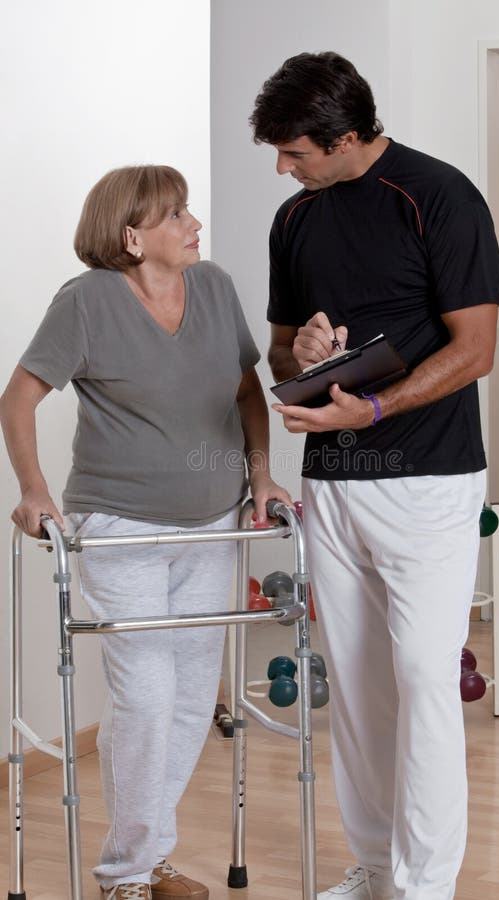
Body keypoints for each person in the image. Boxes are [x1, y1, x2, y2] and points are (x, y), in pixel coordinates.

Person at [250, 52, 499, 900]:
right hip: (332, 481)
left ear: (346, 135)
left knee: (426, 676)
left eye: (295, 153)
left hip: (428, 478)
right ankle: (373, 866)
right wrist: (309, 350)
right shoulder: (295, 221)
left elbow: (474, 350)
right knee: (356, 686)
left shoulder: (439, 196)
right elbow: (285, 345)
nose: (285, 169)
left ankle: (425, 883)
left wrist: (380, 411)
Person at [0, 165, 291, 900]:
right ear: (132, 237)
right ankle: (125, 874)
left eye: (188, 212)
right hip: (119, 524)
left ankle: (145, 860)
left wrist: (261, 478)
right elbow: (19, 399)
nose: (194, 224)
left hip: (213, 523)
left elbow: (247, 392)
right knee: (148, 695)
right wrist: (33, 492)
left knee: (194, 695)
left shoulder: (216, 287)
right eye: (175, 216)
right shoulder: (90, 301)